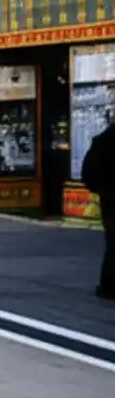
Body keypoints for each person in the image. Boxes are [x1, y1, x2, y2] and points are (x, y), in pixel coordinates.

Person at [81, 119, 114, 300]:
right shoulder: (105, 141)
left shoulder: (103, 140)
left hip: (110, 200)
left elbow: (88, 174)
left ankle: (108, 286)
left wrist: (104, 192)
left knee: (113, 243)